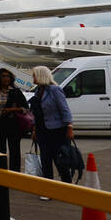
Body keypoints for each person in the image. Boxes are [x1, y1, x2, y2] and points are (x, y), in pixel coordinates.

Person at [30, 65, 75, 195]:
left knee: (59, 159)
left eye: (34, 75)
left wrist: (69, 127)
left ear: (41, 76)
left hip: (57, 130)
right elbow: (37, 114)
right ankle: (48, 189)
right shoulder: (38, 91)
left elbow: (65, 109)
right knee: (45, 159)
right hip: (42, 130)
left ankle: (68, 186)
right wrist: (34, 129)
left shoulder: (55, 90)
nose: (33, 77)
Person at [0, 67, 28, 172]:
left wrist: (11, 109)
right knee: (0, 151)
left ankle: (15, 174)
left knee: (14, 151)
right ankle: (1, 173)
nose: (6, 78)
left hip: (13, 126)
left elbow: (25, 108)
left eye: (8, 76)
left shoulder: (16, 92)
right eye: (3, 76)